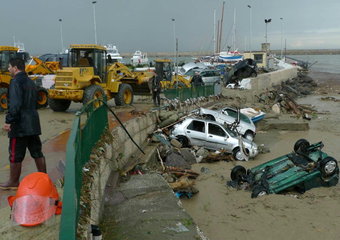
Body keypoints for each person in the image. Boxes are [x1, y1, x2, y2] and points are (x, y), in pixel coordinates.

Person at [0, 58, 46, 190]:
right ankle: (44, 178)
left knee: (15, 154)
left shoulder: (15, 82)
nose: (8, 69)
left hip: (20, 125)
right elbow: (36, 102)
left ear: (15, 68)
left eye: (9, 67)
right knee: (37, 152)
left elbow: (15, 105)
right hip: (33, 123)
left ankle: (14, 181)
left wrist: (9, 121)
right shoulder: (31, 82)